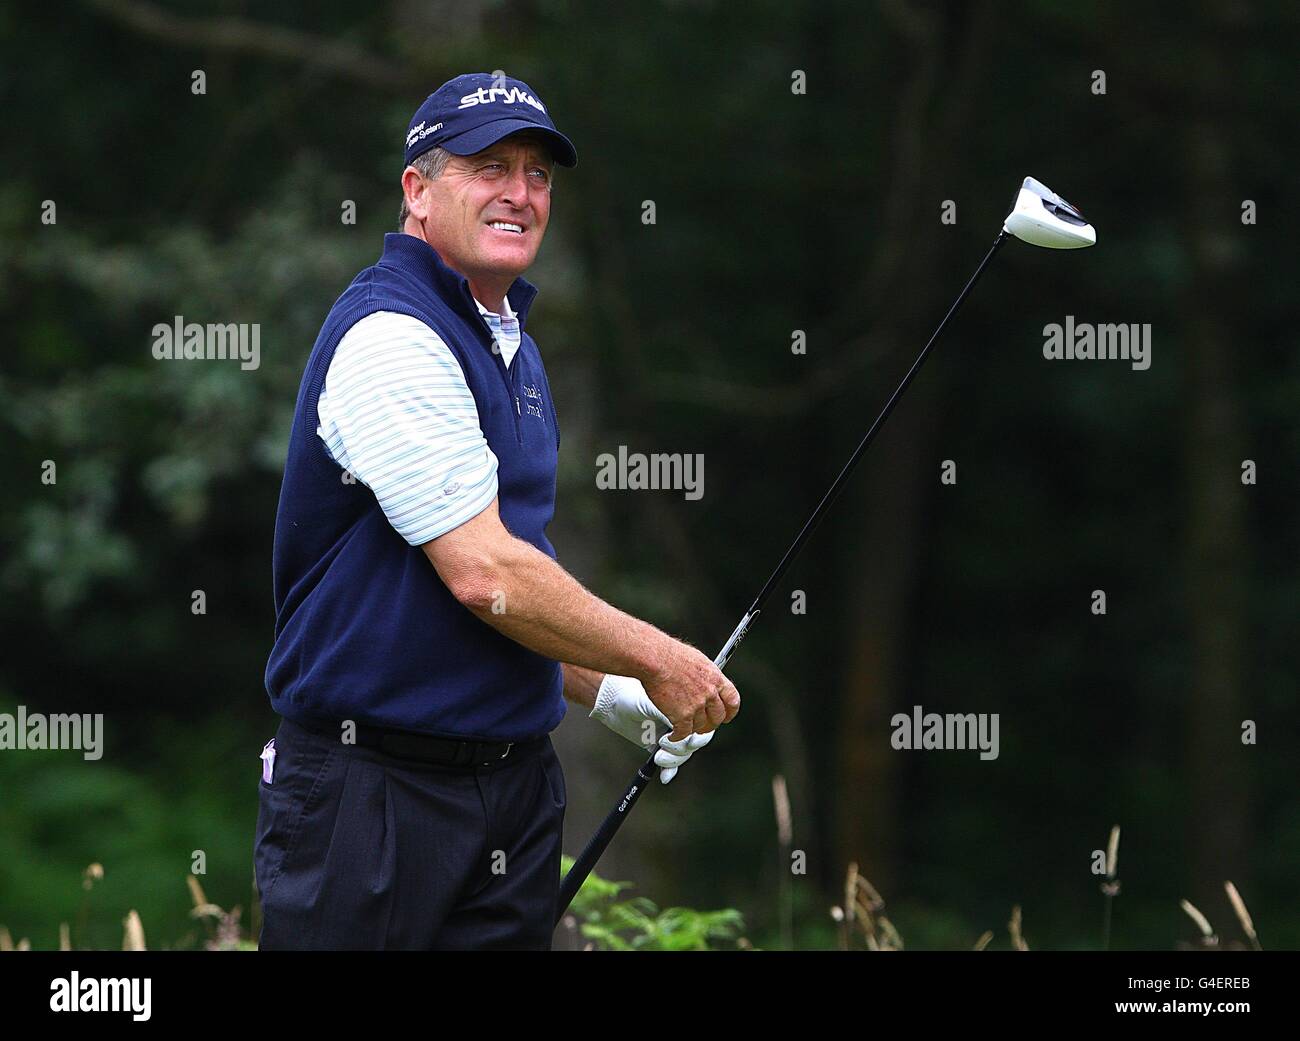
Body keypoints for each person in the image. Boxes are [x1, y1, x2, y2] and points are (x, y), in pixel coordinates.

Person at [254, 72, 740, 951]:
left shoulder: (510, 342)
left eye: (538, 174)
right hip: (370, 794)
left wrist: (610, 690)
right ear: (417, 189)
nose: (520, 193)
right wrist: (659, 660)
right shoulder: (390, 336)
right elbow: (485, 574)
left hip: (510, 794)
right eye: (489, 168)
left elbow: (513, 578)